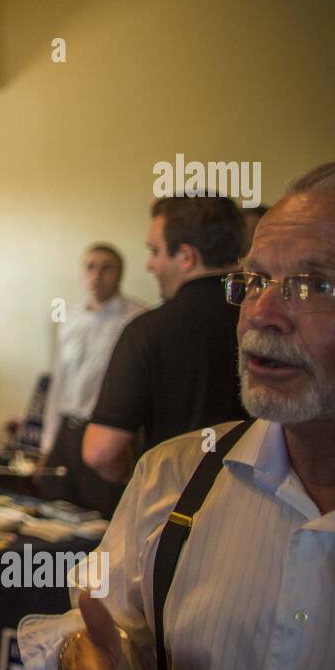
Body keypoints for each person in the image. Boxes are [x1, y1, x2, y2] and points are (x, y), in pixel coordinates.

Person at [19, 158, 335, 670]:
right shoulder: (174, 479)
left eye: (316, 286)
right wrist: (92, 666)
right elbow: (107, 643)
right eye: (254, 282)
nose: (261, 315)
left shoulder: (143, 330)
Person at [83, 195, 247, 483]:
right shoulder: (268, 319)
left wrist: (136, 484)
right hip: (261, 506)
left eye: (154, 251)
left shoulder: (147, 330)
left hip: (172, 505)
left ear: (186, 257)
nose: (149, 265)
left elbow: (101, 451)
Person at [37, 244, 146, 515]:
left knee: (103, 514)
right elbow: (59, 383)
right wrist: (47, 443)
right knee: (54, 510)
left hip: (105, 432)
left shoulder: (136, 318)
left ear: (120, 273)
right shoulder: (70, 319)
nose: (97, 274)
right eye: (90, 267)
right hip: (67, 429)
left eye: (106, 267)